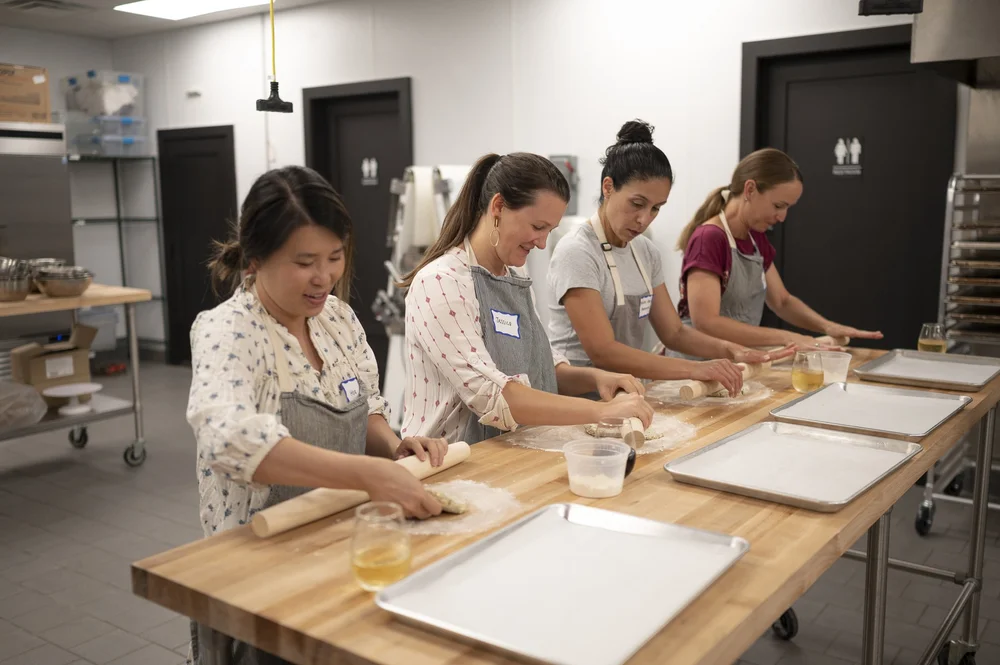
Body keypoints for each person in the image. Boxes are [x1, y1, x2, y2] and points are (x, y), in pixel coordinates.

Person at [187, 166, 447, 664]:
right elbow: (229, 441)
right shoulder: (230, 330)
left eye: (334, 256)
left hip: (339, 548)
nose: (324, 277)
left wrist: (394, 447)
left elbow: (366, 408)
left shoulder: (337, 320)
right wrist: (367, 475)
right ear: (255, 259)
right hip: (262, 572)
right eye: (304, 262)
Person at [398, 152, 654, 444]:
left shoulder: (515, 275)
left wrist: (595, 379)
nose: (542, 243)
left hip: (511, 452)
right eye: (537, 227)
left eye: (549, 230)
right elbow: (492, 396)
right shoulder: (441, 282)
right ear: (498, 207)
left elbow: (539, 365)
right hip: (454, 460)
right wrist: (601, 411)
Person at [546, 120, 783, 396]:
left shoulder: (645, 252)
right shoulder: (578, 251)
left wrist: (731, 350)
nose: (644, 219)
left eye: (656, 208)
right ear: (608, 187)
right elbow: (603, 351)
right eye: (637, 204)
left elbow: (674, 333)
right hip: (578, 398)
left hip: (626, 394)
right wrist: (694, 369)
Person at [676, 148, 882, 349]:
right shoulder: (709, 238)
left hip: (736, 361)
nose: (782, 217)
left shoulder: (755, 237)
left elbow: (781, 301)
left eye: (787, 208)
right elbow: (707, 322)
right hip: (696, 364)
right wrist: (787, 337)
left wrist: (828, 326)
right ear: (750, 190)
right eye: (778, 206)